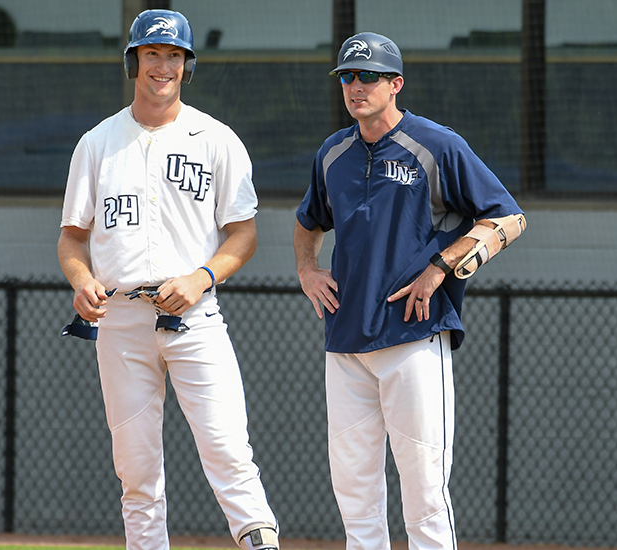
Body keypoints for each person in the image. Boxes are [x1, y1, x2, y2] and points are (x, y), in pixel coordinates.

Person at [293, 32, 526, 550]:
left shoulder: (437, 144)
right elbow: (308, 222)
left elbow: (509, 217)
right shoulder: (332, 152)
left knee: (424, 494)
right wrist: (307, 270)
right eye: (348, 77)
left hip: (414, 336)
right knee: (355, 494)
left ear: (395, 83)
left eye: (368, 76)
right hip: (346, 342)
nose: (356, 86)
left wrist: (442, 265)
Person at [57, 9, 279, 550]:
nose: (163, 65)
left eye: (174, 55)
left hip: (194, 316)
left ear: (187, 65)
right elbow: (71, 239)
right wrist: (81, 279)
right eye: (153, 54)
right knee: (136, 470)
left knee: (228, 450)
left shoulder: (216, 138)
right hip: (122, 321)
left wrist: (203, 277)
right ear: (134, 60)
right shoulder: (97, 143)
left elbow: (244, 236)